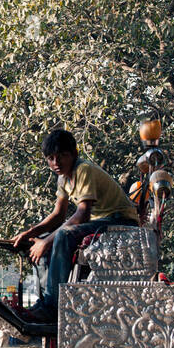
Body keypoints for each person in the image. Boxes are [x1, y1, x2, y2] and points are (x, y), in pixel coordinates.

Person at [12, 128, 139, 322]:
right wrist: (30, 233)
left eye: (62, 156)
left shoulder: (83, 169)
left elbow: (82, 215)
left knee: (62, 236)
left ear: (74, 154)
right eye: (51, 158)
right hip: (100, 222)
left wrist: (46, 242)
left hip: (120, 219)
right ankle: (46, 302)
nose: (56, 163)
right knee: (44, 242)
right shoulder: (63, 178)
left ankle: (53, 308)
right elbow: (58, 215)